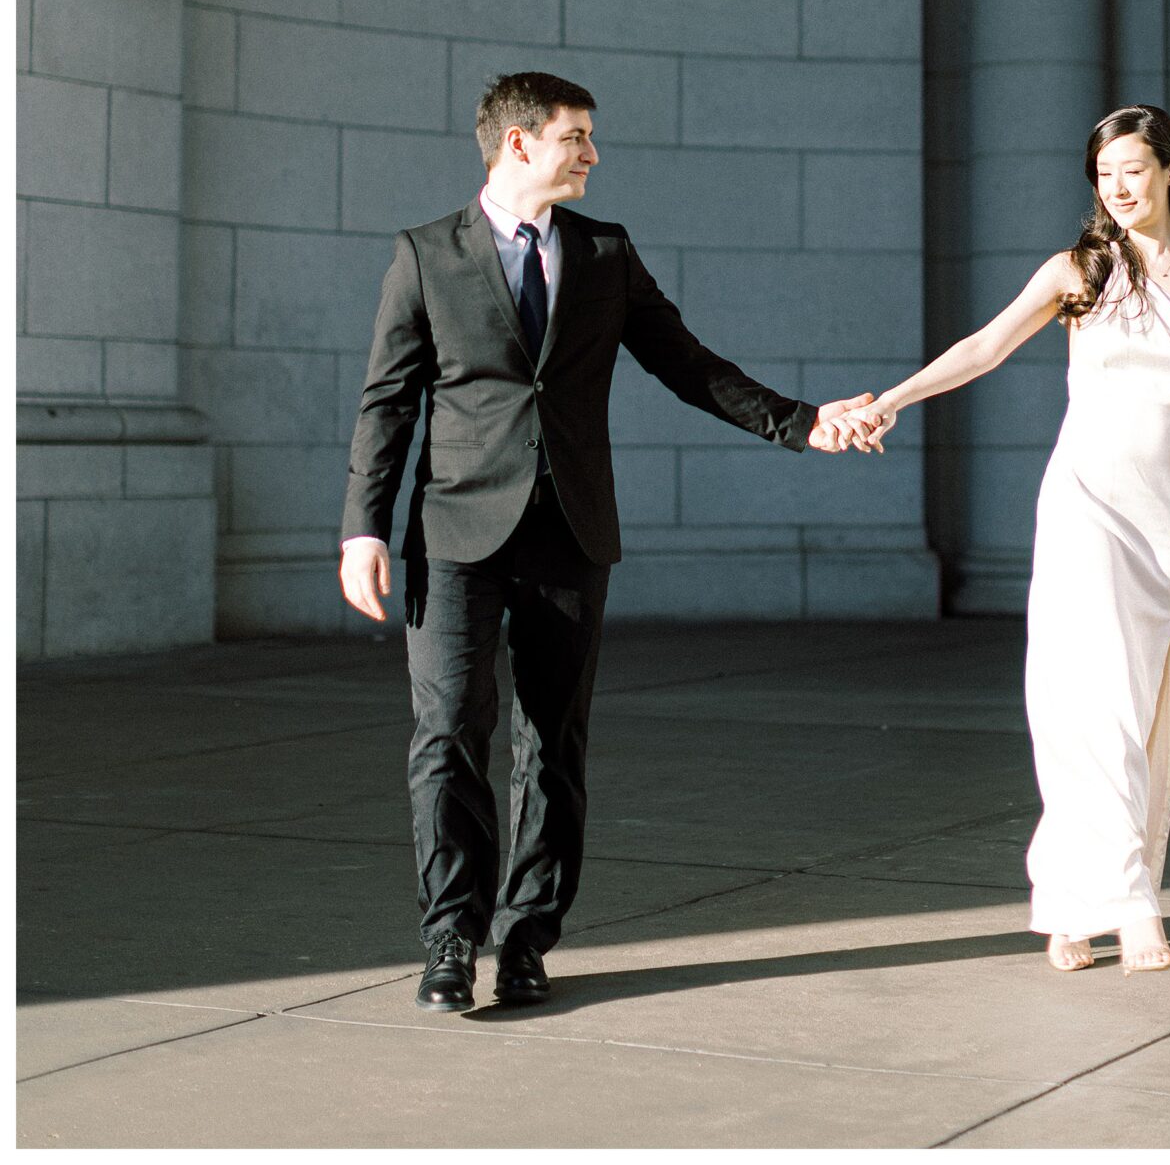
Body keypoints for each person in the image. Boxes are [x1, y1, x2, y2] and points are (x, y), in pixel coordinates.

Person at [339, 70, 879, 1012]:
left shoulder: (604, 254)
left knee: (554, 744)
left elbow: (687, 363)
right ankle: (450, 940)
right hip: (456, 531)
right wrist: (363, 530)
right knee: (450, 732)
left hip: (570, 531)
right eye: (575, 137)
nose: (592, 154)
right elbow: (388, 402)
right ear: (519, 145)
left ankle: (528, 939)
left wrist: (801, 422)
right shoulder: (425, 254)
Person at [838, 104, 1170, 975]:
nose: (1117, 187)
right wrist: (889, 401)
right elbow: (982, 348)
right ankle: (1131, 901)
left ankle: (1070, 906)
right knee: (1088, 704)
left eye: (1133, 168)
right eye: (1103, 173)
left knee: (1141, 709)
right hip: (1085, 504)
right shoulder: (1076, 270)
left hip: (1167, 521)